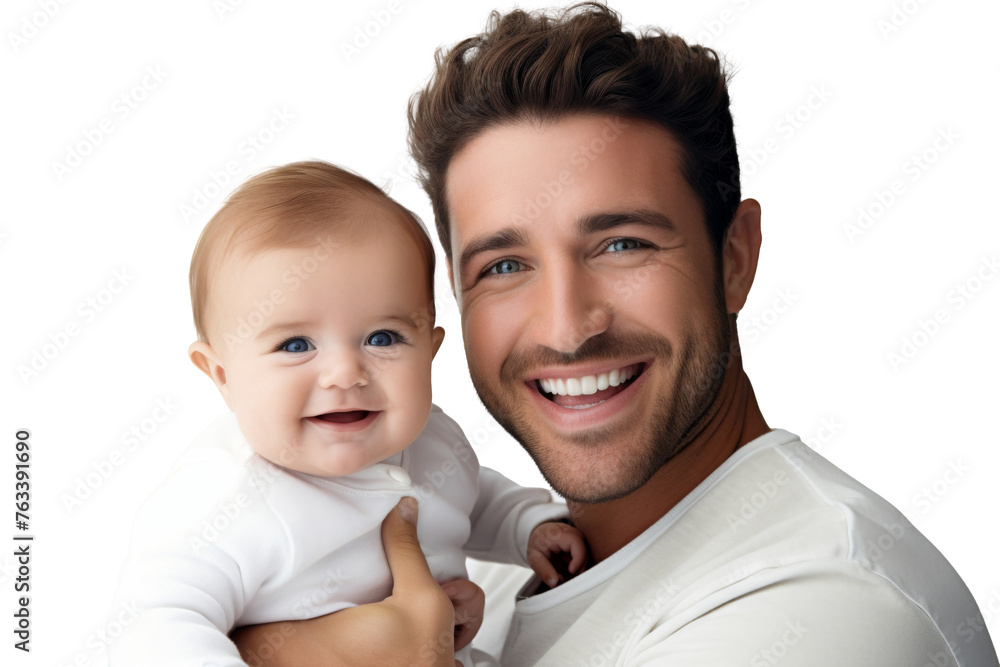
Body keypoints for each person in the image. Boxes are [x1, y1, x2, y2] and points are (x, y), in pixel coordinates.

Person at [235, 4, 1000, 666]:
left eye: (622, 244)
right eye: (504, 264)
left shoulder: (828, 607)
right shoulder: (492, 574)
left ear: (733, 258)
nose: (568, 327)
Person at [106, 160, 588, 666]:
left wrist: (526, 526)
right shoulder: (222, 496)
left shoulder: (432, 440)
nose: (344, 372)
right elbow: (156, 622)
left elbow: (469, 493)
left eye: (383, 338)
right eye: (295, 344)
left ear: (430, 350)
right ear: (222, 375)